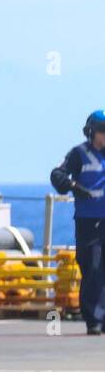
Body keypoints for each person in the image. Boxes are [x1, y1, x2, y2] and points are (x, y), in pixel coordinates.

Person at [51, 110, 105, 334]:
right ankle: (93, 319)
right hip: (88, 221)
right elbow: (57, 175)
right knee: (91, 268)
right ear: (92, 132)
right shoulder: (78, 154)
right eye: (102, 131)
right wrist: (74, 187)